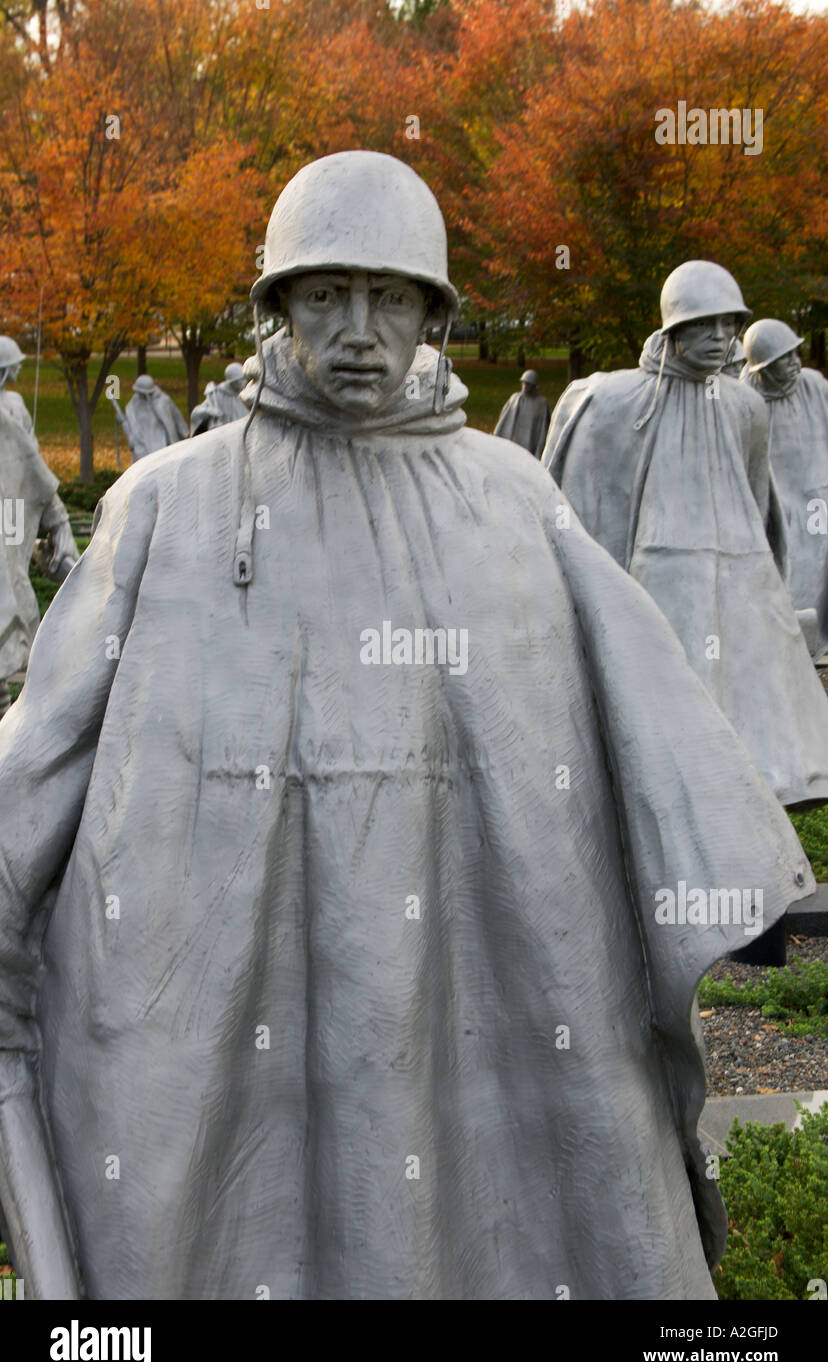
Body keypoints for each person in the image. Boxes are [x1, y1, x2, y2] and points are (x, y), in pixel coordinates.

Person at [0, 154, 819, 1301]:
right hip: (220, 1028)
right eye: (325, 294)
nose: (358, 331)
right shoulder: (166, 509)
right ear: (277, 305)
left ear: (434, 312)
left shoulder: (513, 501)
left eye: (391, 298)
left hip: (479, 1021)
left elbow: (652, 747)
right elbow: (36, 766)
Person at [542, 261, 828, 808]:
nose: (719, 339)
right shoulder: (624, 400)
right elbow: (589, 502)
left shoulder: (746, 405)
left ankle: (766, 784)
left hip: (740, 563)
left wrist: (766, 571)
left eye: (727, 326)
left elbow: (756, 493)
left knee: (754, 693)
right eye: (704, 326)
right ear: (674, 330)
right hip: (664, 563)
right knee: (671, 686)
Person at [0, 338, 78, 718]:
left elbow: (34, 474)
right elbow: (38, 475)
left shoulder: (12, 410)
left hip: (10, 513)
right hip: (9, 514)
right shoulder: (12, 412)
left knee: (13, 583)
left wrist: (58, 522)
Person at [741, 319, 828, 622]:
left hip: (819, 493)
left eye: (795, 353)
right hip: (778, 501)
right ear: (762, 368)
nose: (795, 363)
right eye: (784, 358)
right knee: (788, 566)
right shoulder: (743, 400)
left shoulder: (814, 385)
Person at [113, 373, 188, 462]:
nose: (139, 394)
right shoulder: (134, 403)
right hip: (141, 448)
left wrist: (182, 433)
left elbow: (177, 419)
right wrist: (123, 422)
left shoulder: (163, 401)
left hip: (160, 446)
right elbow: (132, 424)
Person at [492, 368, 551, 458]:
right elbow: (504, 421)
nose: (524, 386)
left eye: (528, 384)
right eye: (523, 383)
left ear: (534, 385)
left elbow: (543, 428)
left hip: (530, 444)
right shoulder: (515, 398)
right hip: (513, 442)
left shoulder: (542, 403)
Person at [0, 336, 34, 434]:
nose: (19, 366)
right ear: (4, 367)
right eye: (15, 363)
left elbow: (30, 440)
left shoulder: (17, 400)